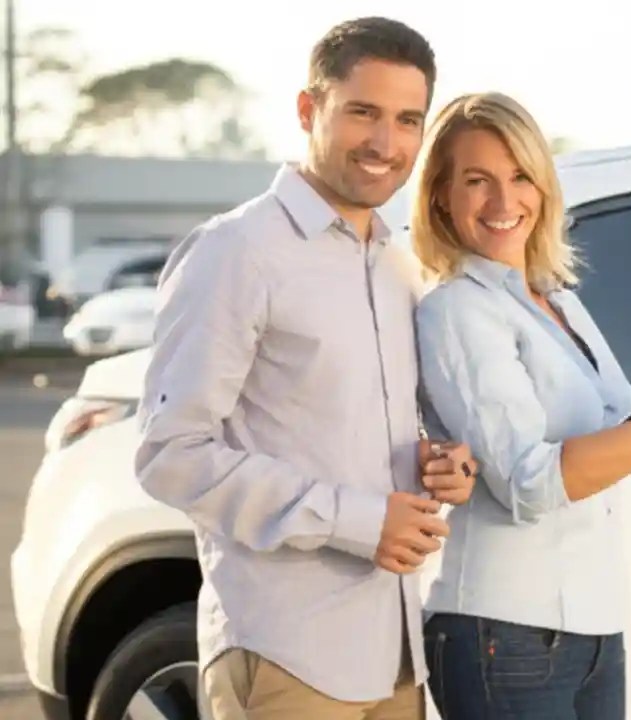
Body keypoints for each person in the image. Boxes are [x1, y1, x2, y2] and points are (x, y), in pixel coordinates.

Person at [134, 17, 477, 720]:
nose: (386, 144)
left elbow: (348, 426)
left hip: (394, 653)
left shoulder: (396, 262)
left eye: (407, 120)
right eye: (363, 112)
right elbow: (170, 455)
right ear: (307, 109)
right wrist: (358, 520)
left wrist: (440, 463)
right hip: (286, 653)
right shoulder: (237, 251)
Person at [410, 92, 631, 719]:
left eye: (520, 176)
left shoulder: (559, 300)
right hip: (504, 631)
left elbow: (615, 434)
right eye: (477, 181)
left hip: (594, 625)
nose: (503, 201)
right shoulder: (457, 310)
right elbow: (529, 485)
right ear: (441, 195)